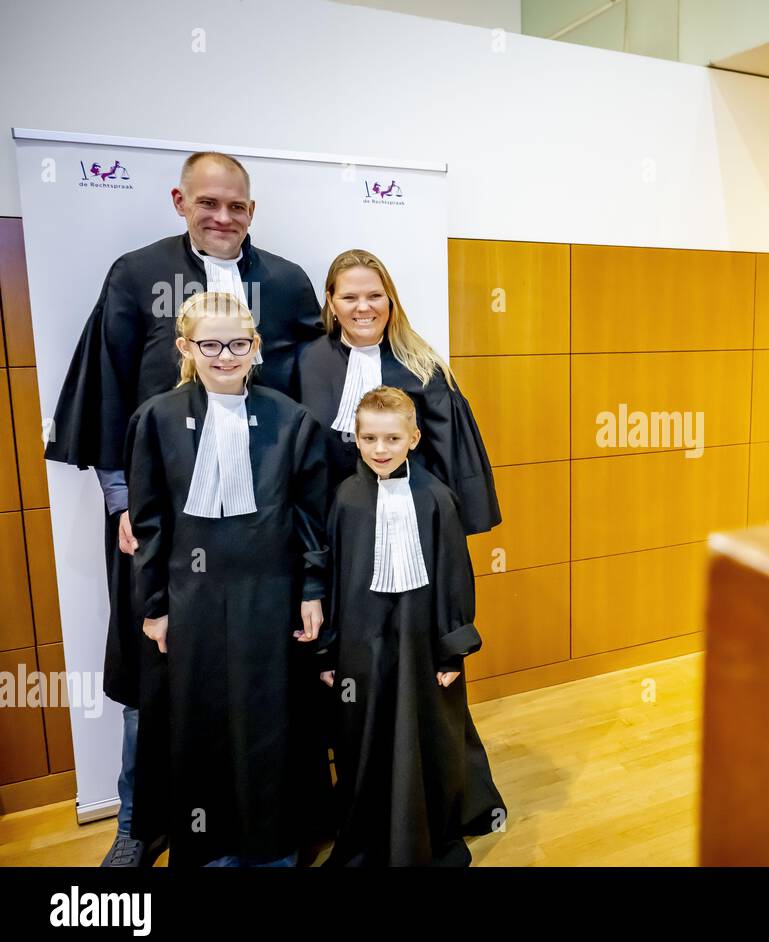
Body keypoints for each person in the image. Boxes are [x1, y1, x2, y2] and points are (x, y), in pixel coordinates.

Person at [42, 151, 323, 866]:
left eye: (236, 206)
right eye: (208, 203)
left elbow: (315, 388)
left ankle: (277, 821)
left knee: (270, 674)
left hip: (264, 532)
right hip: (158, 517)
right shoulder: (137, 275)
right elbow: (108, 387)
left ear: (251, 211)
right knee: (156, 664)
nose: (222, 217)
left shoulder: (286, 283)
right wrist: (122, 502)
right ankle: (140, 823)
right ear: (181, 201)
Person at [124, 291, 329, 867]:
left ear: (255, 347)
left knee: (273, 722)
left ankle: (274, 845)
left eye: (238, 343)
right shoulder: (158, 418)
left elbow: (310, 516)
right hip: (193, 599)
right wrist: (155, 606)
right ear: (186, 347)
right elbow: (150, 521)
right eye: (209, 345)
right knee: (201, 723)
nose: (225, 356)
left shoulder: (291, 420)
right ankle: (208, 846)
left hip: (271, 594)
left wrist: (312, 591)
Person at [320, 386, 505, 866]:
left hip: (424, 646)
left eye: (392, 439)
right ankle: (370, 834)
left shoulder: (436, 499)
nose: (380, 450)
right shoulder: (344, 500)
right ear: (355, 439)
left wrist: (452, 650)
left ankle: (424, 832)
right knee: (362, 736)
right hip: (362, 647)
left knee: (428, 734)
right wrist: (327, 652)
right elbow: (334, 580)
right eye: (370, 439)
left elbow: (453, 578)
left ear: (414, 438)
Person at [293, 249, 500, 532]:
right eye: (349, 297)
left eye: (375, 296)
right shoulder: (306, 363)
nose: (363, 308)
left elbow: (450, 462)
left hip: (410, 522)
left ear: (390, 299)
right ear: (331, 301)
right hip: (333, 526)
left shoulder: (423, 367)